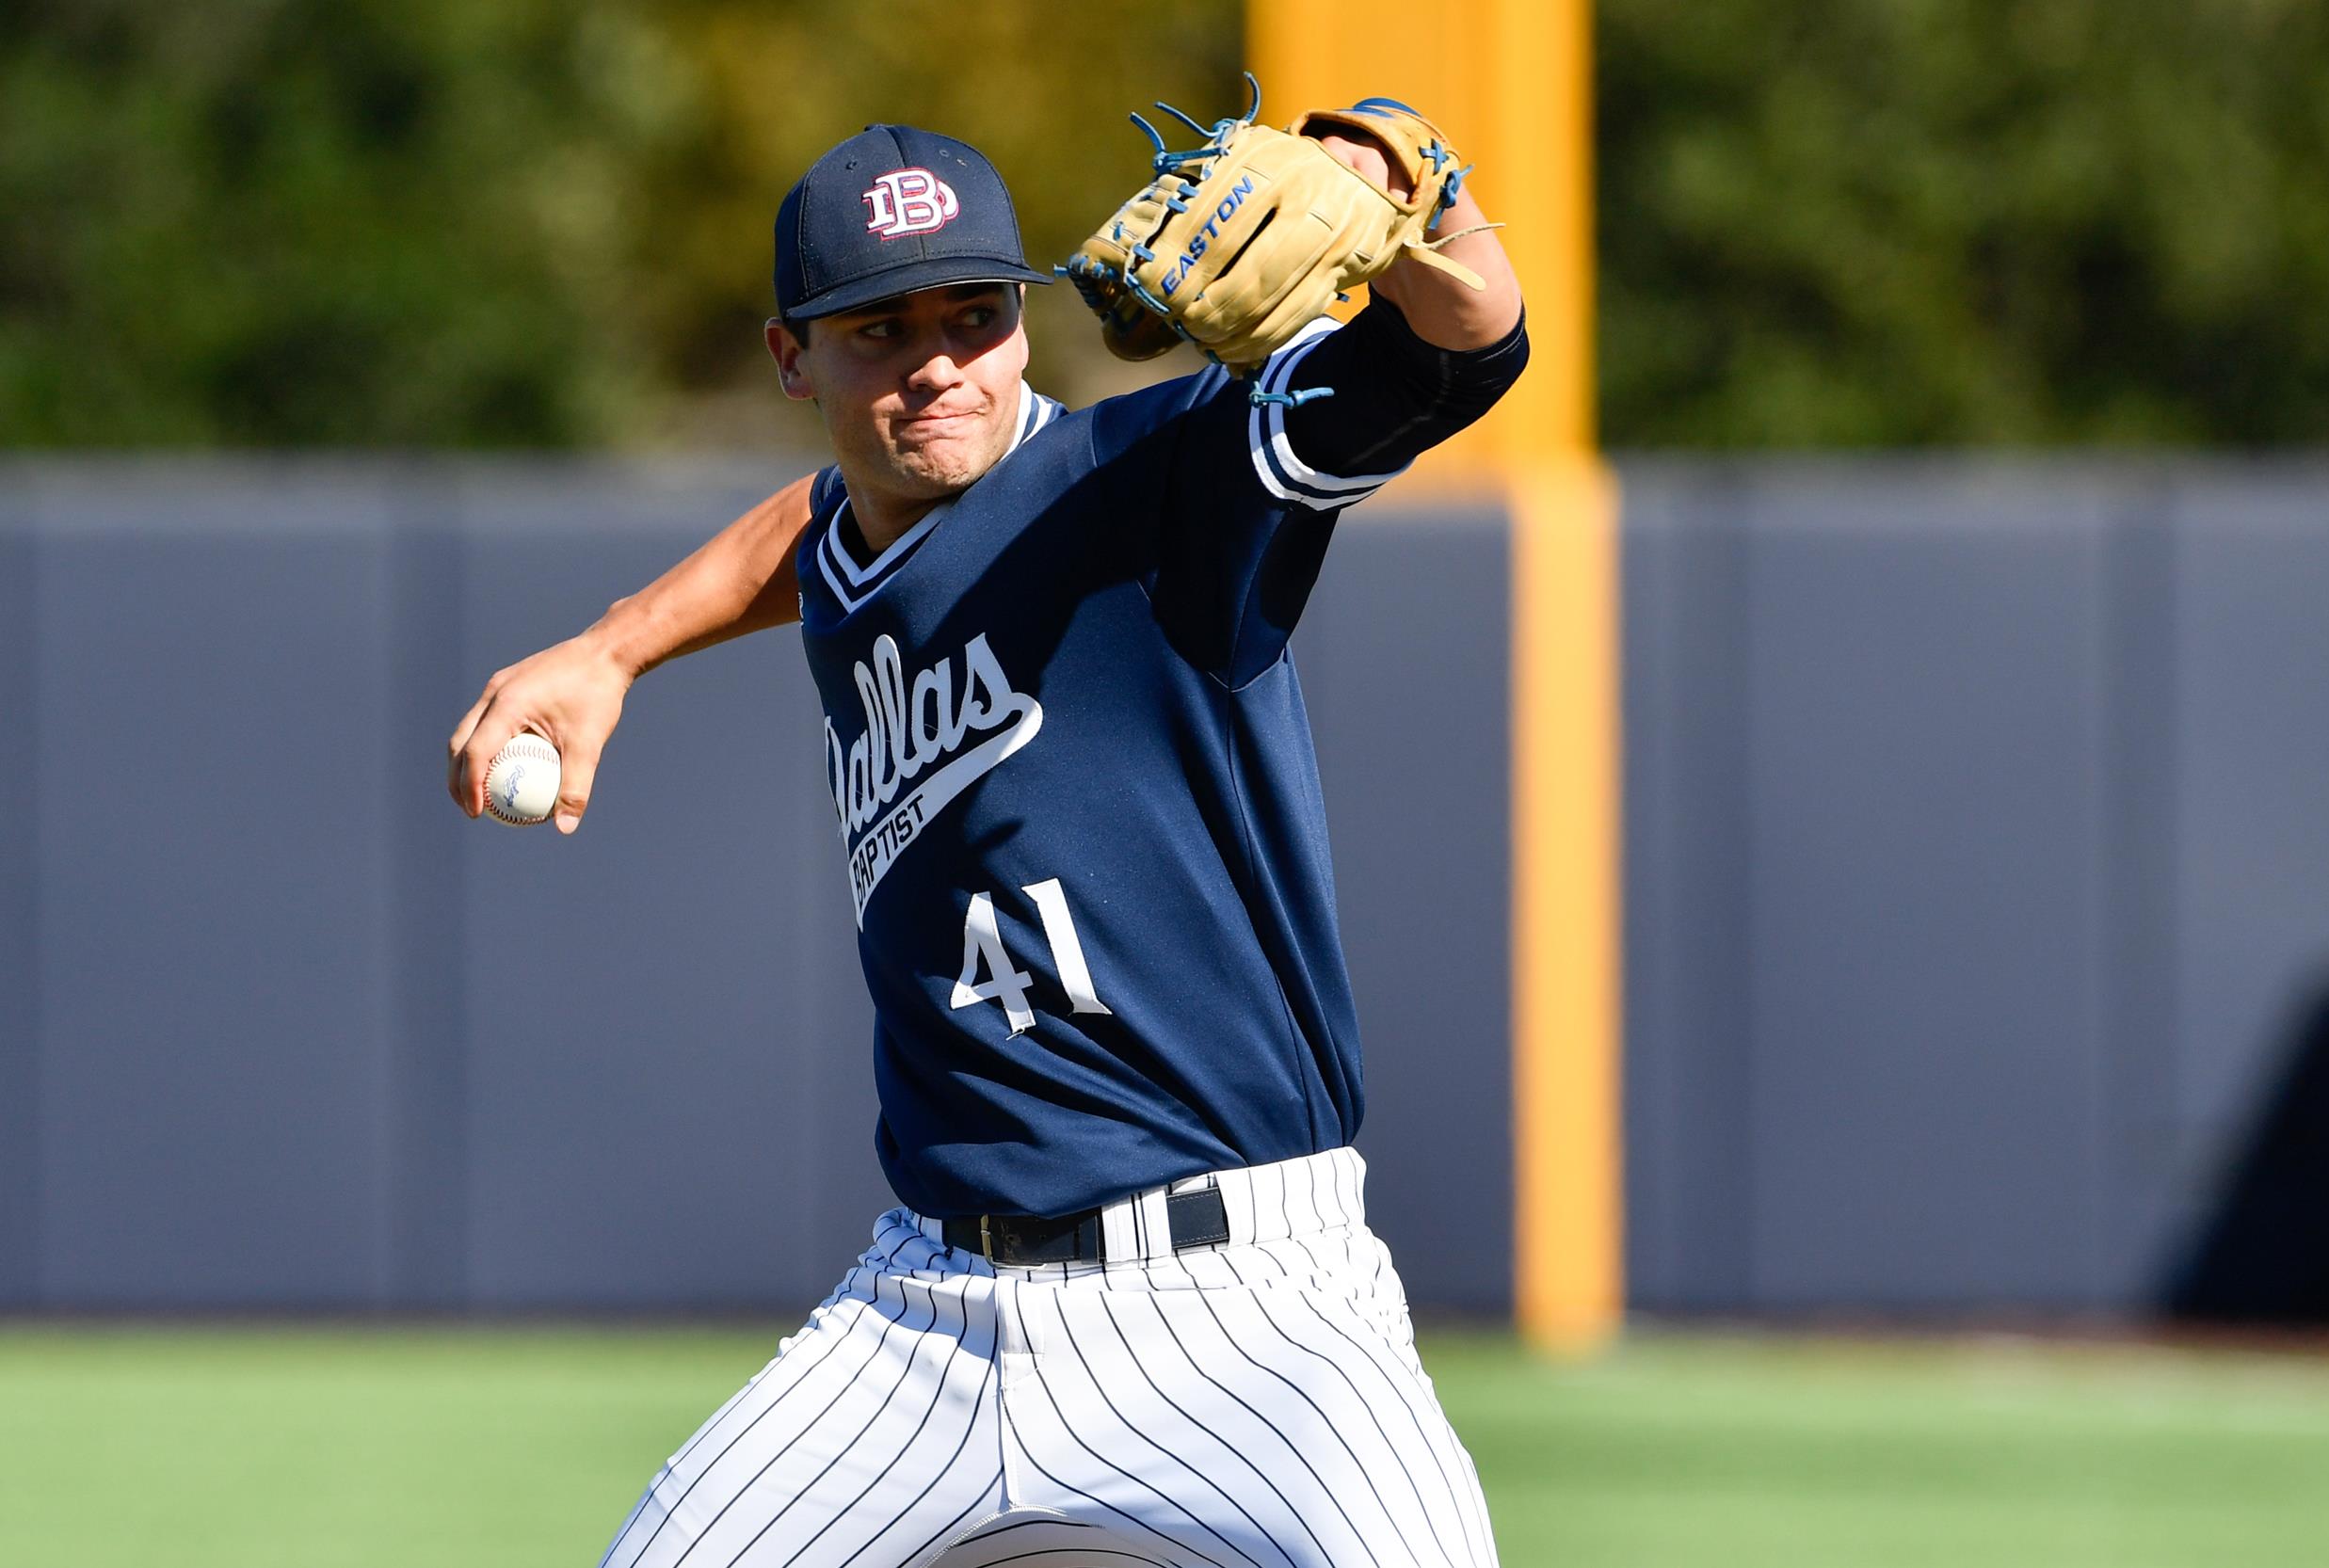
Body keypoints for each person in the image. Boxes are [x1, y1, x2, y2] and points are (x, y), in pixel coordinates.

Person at [449, 112, 1527, 1568]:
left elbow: (1457, 361)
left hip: (1249, 1306)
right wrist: (614, 648)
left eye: (975, 313)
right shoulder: (853, 536)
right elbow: (820, 527)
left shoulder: (1162, 475)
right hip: (924, 1319)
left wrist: (1439, 210)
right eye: (880, 330)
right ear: (792, 358)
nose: (940, 361)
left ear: (1022, 323)